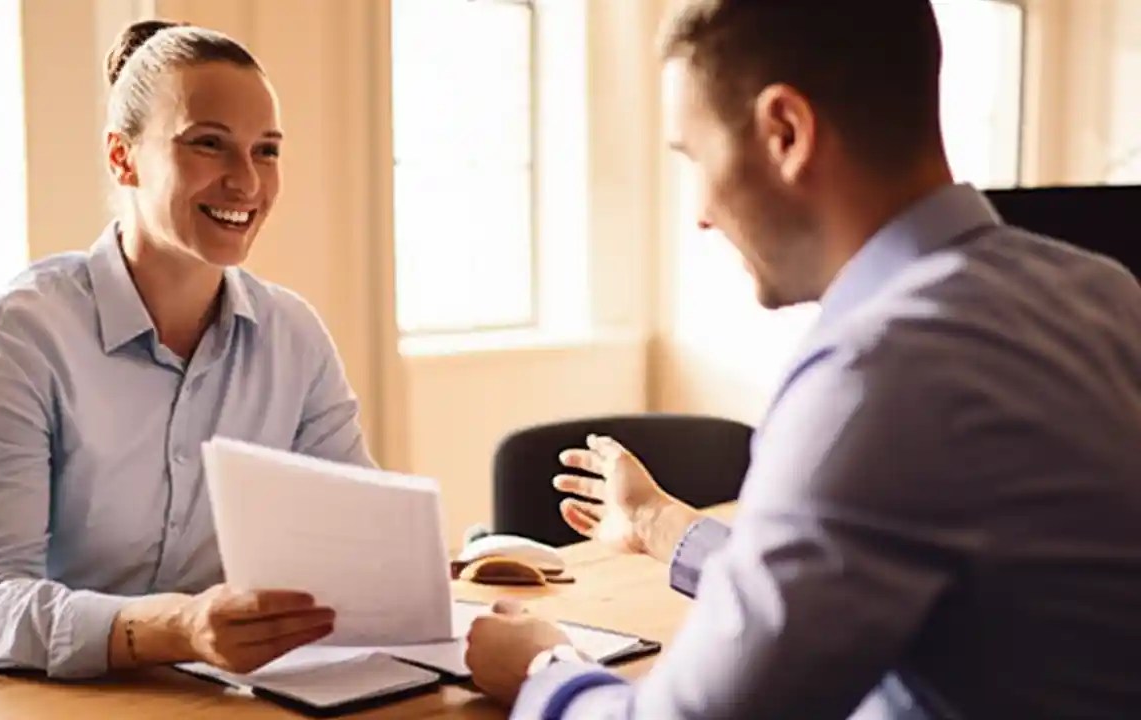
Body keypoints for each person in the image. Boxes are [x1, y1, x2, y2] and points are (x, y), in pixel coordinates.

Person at [464, 0, 1141, 718]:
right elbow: (863, 563)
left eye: (694, 157)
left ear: (786, 132)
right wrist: (662, 524)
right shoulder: (1102, 293)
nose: (698, 211)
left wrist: (544, 668)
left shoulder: (879, 371)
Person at [0, 20, 372, 679]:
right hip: (26, 698)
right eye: (208, 145)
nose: (246, 182)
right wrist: (179, 629)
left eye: (267, 151)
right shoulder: (17, 337)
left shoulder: (293, 337)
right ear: (122, 157)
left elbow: (360, 544)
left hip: (206, 694)